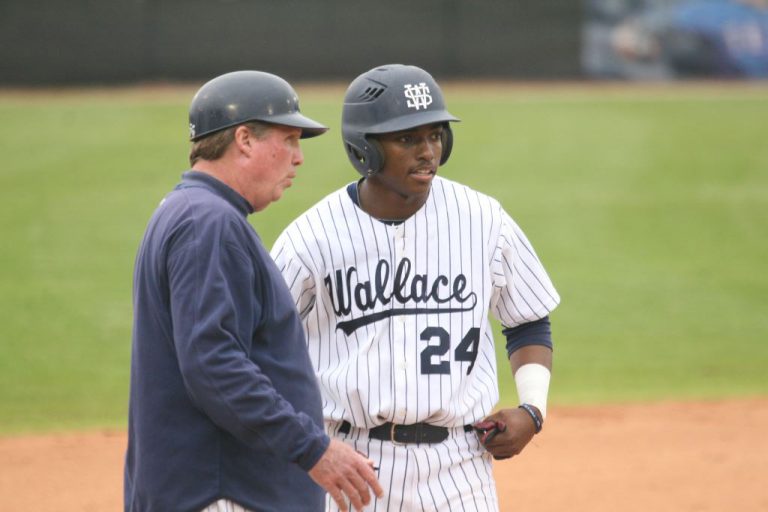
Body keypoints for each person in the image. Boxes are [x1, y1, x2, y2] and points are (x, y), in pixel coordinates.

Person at [271, 64, 560, 511]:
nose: (427, 152)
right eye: (407, 139)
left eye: (435, 135)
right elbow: (263, 347)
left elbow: (528, 321)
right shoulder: (311, 239)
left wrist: (532, 410)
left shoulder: (484, 221)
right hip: (350, 463)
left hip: (460, 466)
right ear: (364, 149)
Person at [125, 70, 382, 512]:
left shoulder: (190, 212)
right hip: (224, 492)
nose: (298, 158)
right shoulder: (209, 225)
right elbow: (213, 365)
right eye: (290, 139)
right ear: (244, 139)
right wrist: (312, 449)